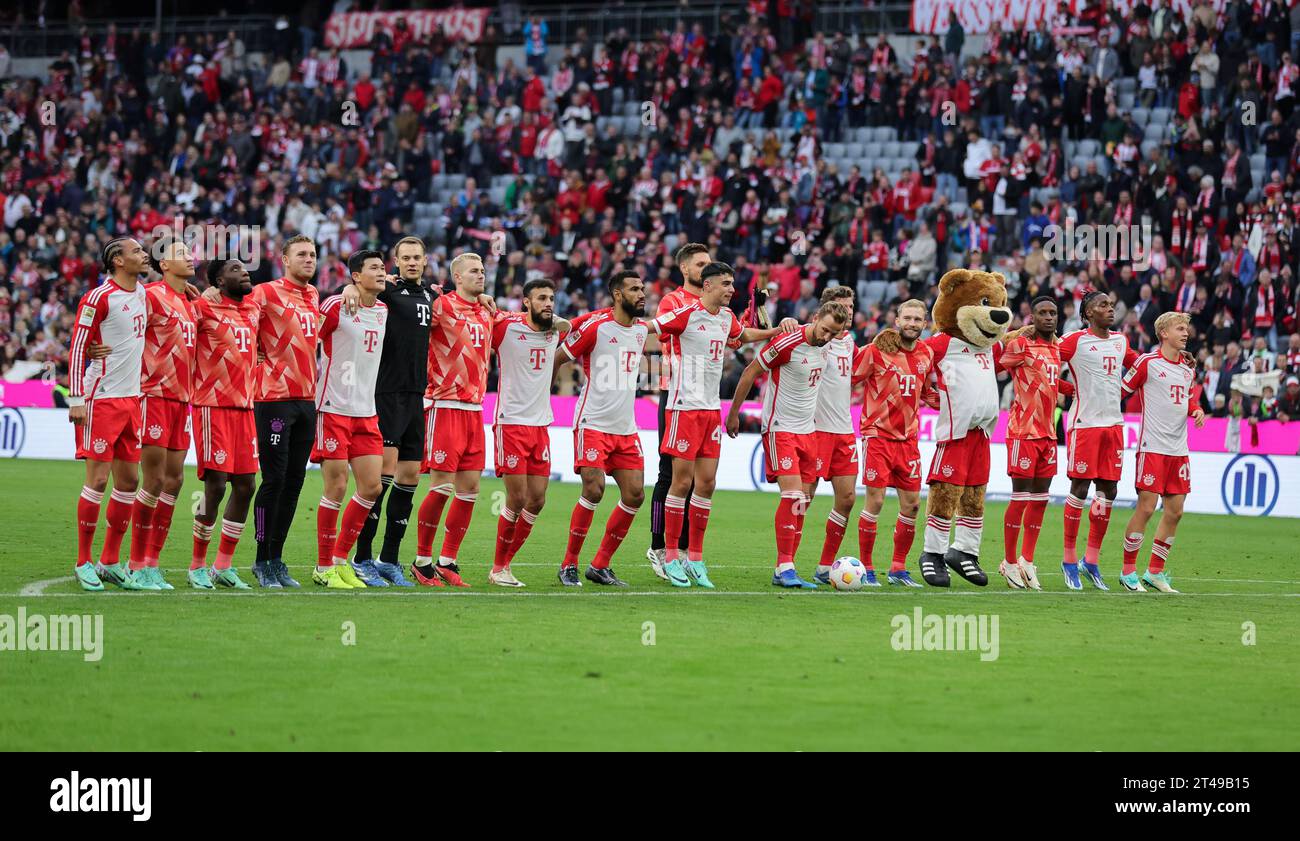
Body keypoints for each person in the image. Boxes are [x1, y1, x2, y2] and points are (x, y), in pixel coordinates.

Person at [648, 261, 792, 587]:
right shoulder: (686, 314)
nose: (732, 289)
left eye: (732, 284)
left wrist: (774, 331)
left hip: (712, 411)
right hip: (683, 408)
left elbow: (742, 335)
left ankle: (695, 559)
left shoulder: (725, 318)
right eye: (726, 284)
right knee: (680, 483)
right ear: (708, 285)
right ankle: (671, 556)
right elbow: (651, 327)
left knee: (707, 484)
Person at [724, 301, 850, 588]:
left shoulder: (829, 344)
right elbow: (750, 372)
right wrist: (733, 414)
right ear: (815, 318)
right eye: (825, 329)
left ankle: (787, 566)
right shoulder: (789, 342)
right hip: (780, 428)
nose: (826, 337)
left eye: (834, 333)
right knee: (793, 496)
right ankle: (784, 566)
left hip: (809, 432)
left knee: (803, 502)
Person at [551, 270, 649, 586]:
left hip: (626, 427)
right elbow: (558, 358)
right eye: (635, 289)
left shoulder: (641, 331)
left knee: (634, 495)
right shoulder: (597, 327)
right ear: (618, 294)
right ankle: (568, 564)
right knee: (593, 489)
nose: (642, 293)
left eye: (643, 288)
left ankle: (600, 565)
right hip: (592, 422)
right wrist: (542, 395)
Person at [67, 237, 151, 590]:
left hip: (133, 400)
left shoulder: (143, 292)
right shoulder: (98, 298)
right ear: (118, 260)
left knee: (130, 483)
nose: (144, 254)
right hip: (100, 399)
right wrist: (75, 399)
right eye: (137, 251)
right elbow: (76, 347)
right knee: (98, 480)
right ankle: (83, 561)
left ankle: (110, 561)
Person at [309, 250, 389, 589]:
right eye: (374, 268)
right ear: (355, 276)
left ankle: (342, 561)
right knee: (338, 486)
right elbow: (307, 337)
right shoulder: (335, 306)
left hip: (366, 412)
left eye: (384, 267)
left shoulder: (384, 309)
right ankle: (323, 566)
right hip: (334, 407)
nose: (382, 272)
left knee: (371, 487)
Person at [488, 278, 568, 587]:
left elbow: (568, 327)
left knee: (537, 500)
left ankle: (506, 565)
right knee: (517, 498)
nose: (548, 303)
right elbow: (483, 332)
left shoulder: (553, 331)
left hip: (540, 426)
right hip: (510, 423)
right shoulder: (506, 327)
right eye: (541, 298)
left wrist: (558, 321)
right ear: (526, 302)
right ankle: (497, 566)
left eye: (551, 298)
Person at [1117, 312, 1205, 593]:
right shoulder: (1148, 363)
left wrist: (1197, 410)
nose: (1186, 333)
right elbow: (1121, 390)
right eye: (1180, 328)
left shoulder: (1188, 369)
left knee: (1175, 512)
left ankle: (1155, 572)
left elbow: (1188, 400)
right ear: (1164, 333)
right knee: (1146, 508)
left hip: (1179, 451)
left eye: (1187, 328)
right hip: (1152, 448)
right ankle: (1128, 571)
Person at [851, 299, 936, 587]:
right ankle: (867, 567)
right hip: (878, 437)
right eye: (907, 318)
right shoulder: (876, 350)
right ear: (896, 320)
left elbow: (926, 393)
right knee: (874, 501)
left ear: (925, 324)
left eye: (918, 319)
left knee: (912, 506)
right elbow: (848, 377)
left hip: (909, 441)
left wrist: (953, 403)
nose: (912, 323)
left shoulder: (926, 353)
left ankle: (898, 569)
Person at [1057, 291, 1138, 591]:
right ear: (1088, 314)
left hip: (1113, 426)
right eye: (1102, 305)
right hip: (1085, 425)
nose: (1110, 308)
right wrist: (1070, 390)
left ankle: (1090, 560)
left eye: (1111, 304)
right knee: (1079, 487)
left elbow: (1140, 367)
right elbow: (1046, 362)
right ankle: (1068, 559)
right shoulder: (1074, 340)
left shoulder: (1120, 341)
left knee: (1109, 490)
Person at [189, 259, 261, 590]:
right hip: (211, 405)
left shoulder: (253, 309)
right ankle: (197, 564)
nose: (244, 272)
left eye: (244, 268)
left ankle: (224, 564)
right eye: (234, 269)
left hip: (245, 408)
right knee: (215, 487)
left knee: (246, 485)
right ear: (219, 280)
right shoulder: (202, 307)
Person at [995, 296, 1073, 590]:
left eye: (1053, 312)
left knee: (1041, 497)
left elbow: (1052, 383)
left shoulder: (1057, 348)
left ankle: (1027, 560)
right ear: (1032, 317)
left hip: (1048, 434)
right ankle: (1009, 562)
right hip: (1022, 432)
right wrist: (1010, 335)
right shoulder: (1021, 346)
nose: (1049, 317)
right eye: (1042, 313)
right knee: (1020, 496)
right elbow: (994, 366)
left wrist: (1077, 389)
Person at [808, 286, 868, 584]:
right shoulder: (815, 337)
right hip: (815, 430)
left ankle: (824, 566)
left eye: (851, 306)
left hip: (844, 431)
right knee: (801, 499)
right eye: (841, 306)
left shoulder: (850, 343)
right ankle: (786, 565)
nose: (847, 311)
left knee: (846, 499)